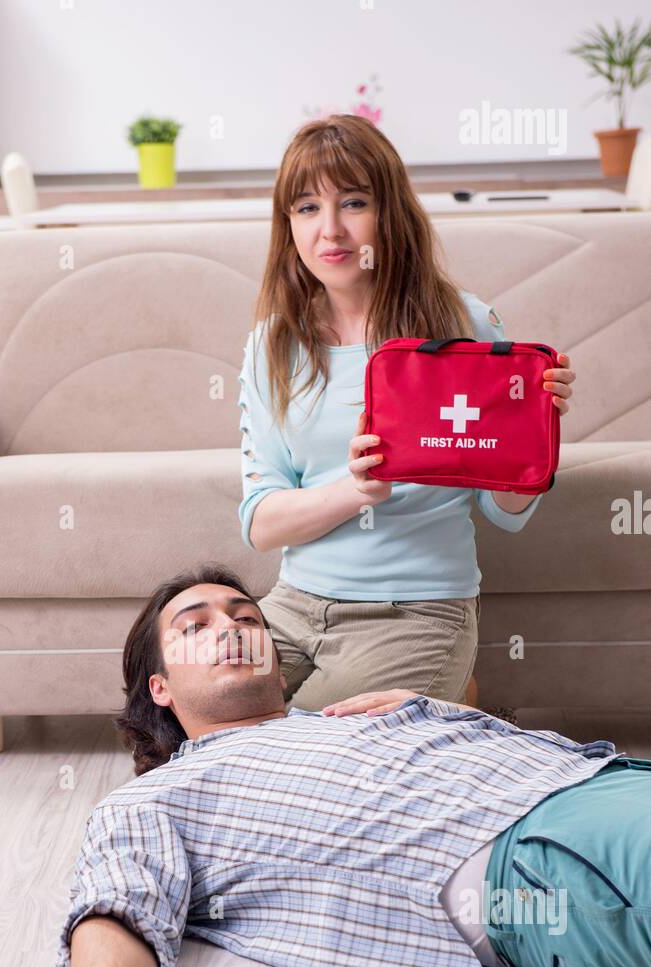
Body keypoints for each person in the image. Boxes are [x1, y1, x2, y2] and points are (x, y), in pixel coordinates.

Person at [54, 566, 651, 967]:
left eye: (245, 618)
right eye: (196, 626)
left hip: (603, 777)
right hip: (534, 860)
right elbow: (118, 907)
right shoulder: (157, 797)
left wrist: (429, 712)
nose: (230, 629)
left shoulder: (354, 714)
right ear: (160, 688)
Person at [237, 114, 575, 713]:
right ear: (288, 226)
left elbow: (505, 512)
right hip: (293, 606)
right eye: (307, 208)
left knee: (309, 750)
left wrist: (535, 434)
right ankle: (446, 714)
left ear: (390, 212)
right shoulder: (273, 343)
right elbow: (262, 523)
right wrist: (357, 490)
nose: (331, 230)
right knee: (178, 724)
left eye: (355, 202)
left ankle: (438, 692)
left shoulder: (462, 325)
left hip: (415, 609)